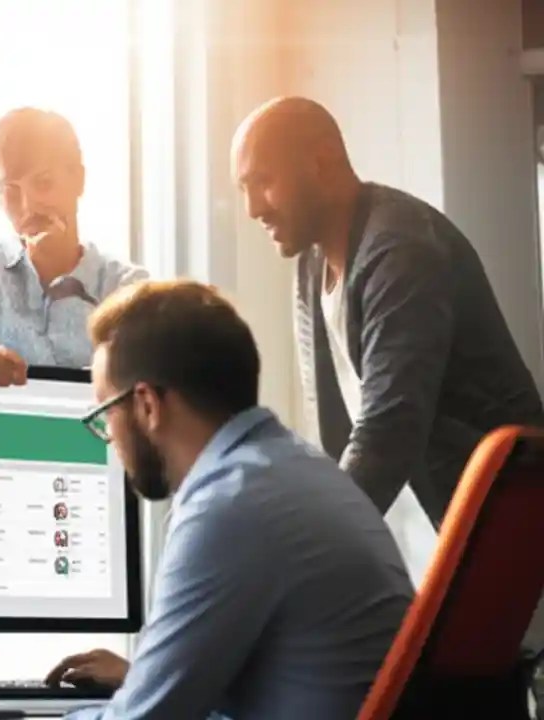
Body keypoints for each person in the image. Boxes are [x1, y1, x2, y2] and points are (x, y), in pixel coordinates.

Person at [232, 97, 544, 692]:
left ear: (322, 162)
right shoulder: (311, 262)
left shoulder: (399, 247)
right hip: (427, 553)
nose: (251, 208)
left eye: (262, 182)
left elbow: (386, 434)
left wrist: (296, 568)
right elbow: (338, 439)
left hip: (503, 544)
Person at [46, 279, 413, 719]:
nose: (107, 436)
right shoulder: (297, 470)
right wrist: (149, 679)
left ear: (146, 405)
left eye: (105, 413)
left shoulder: (227, 507)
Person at [0, 107, 148, 387]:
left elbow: (146, 384)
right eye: (10, 191)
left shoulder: (126, 287)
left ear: (78, 180)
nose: (29, 207)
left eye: (43, 183)